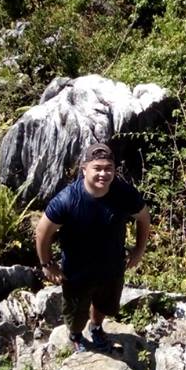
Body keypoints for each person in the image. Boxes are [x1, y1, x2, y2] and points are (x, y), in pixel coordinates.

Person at [34, 142, 151, 353]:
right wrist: (46, 263)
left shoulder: (124, 194)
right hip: (77, 272)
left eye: (108, 168)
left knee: (105, 304)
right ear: (84, 169)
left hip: (112, 266)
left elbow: (143, 218)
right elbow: (43, 232)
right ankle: (76, 335)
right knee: (76, 312)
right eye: (97, 168)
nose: (103, 174)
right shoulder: (68, 200)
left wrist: (138, 250)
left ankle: (96, 327)